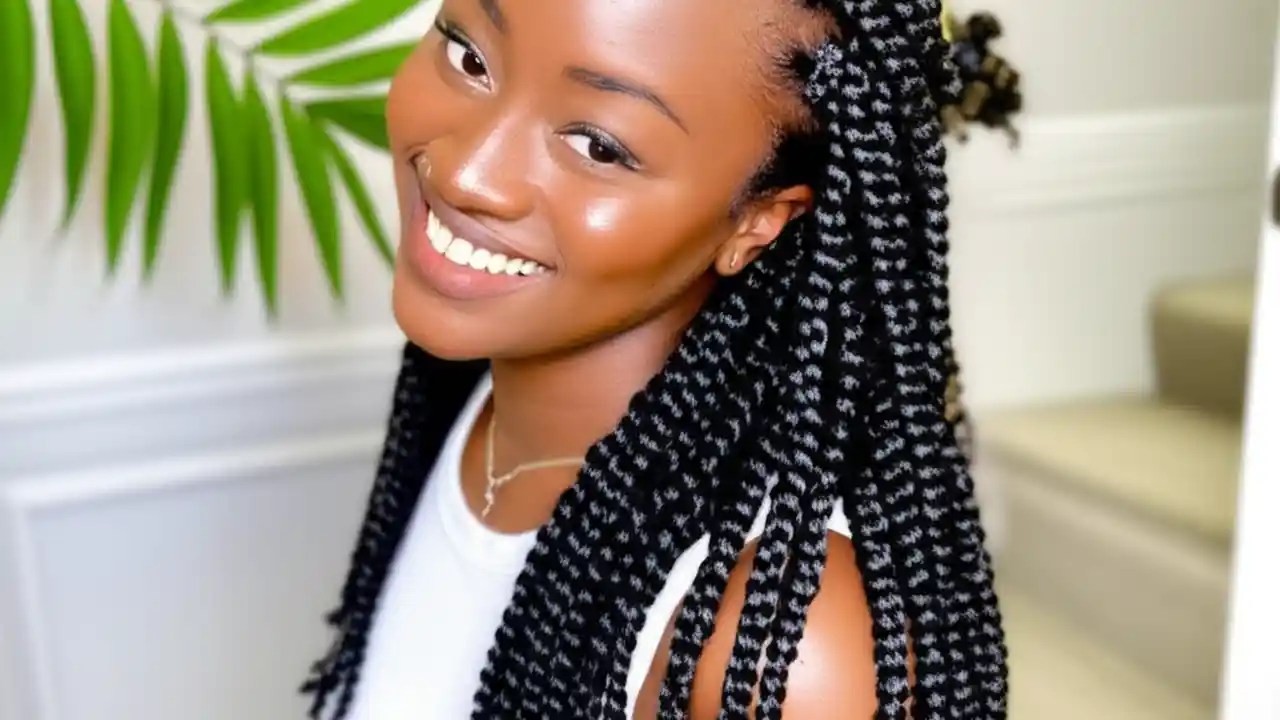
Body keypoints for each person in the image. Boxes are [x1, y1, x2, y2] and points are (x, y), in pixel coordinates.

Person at [301, 0, 1009, 717]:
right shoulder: (473, 389)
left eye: (598, 146)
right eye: (468, 57)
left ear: (761, 219)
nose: (464, 174)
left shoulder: (784, 655)